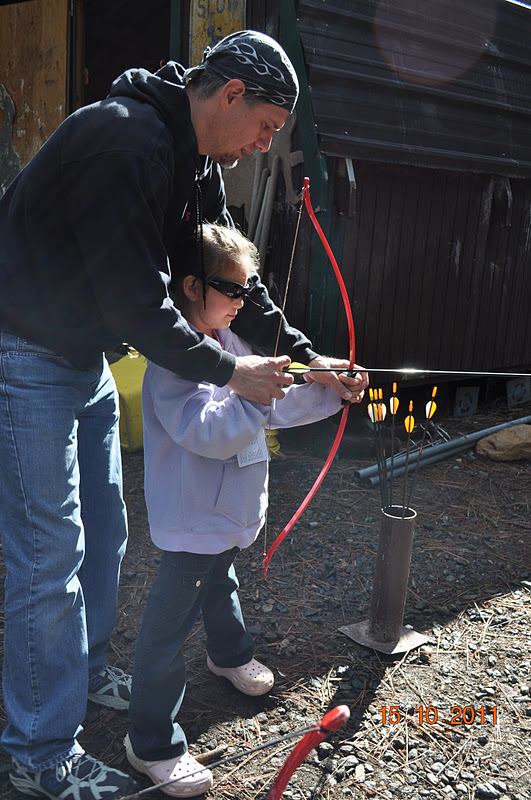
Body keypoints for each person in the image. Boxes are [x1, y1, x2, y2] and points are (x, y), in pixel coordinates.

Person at [0, 29, 367, 800]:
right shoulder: (124, 143)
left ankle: (87, 673)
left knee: (106, 530)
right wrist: (232, 369)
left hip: (81, 356)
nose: (265, 144)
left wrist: (306, 356)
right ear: (230, 95)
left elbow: (228, 275)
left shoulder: (193, 158)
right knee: (48, 559)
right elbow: (134, 299)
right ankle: (38, 754)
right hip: (26, 353)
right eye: (266, 126)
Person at [124, 224, 353, 797]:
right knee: (166, 631)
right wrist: (255, 392)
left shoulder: (235, 344)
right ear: (192, 286)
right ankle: (149, 739)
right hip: (191, 521)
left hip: (223, 518)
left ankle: (229, 655)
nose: (245, 303)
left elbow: (276, 399)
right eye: (234, 290)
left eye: (251, 291)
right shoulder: (173, 361)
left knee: (221, 579)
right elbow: (210, 433)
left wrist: (330, 386)